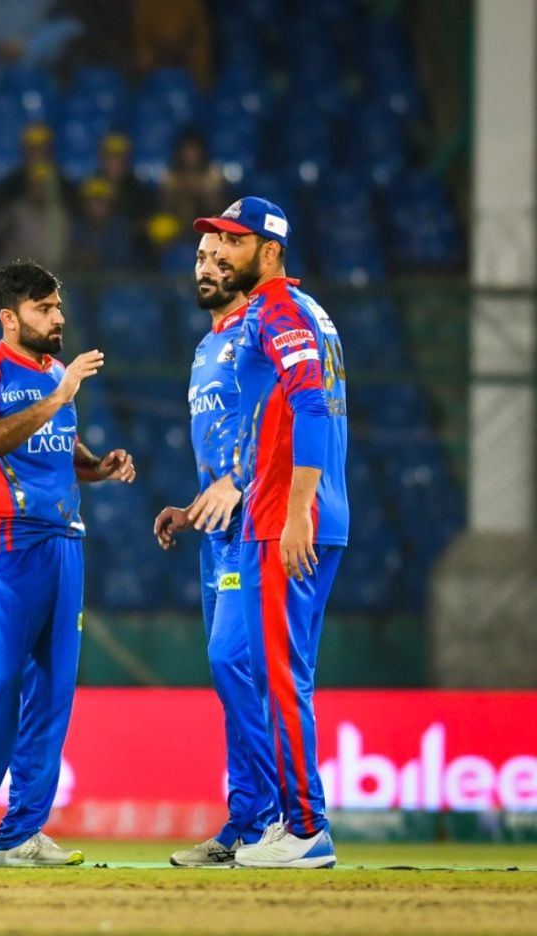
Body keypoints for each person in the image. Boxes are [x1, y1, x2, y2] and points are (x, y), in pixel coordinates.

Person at [0, 260, 135, 866]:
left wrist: (96, 466)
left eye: (58, 307)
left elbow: (56, 451)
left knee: (53, 691)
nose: (58, 318)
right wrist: (60, 396)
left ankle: (22, 834)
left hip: (64, 543)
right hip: (2, 543)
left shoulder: (54, 374)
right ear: (9, 317)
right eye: (44, 309)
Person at [188, 197, 349, 869]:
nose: (221, 251)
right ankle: (270, 822)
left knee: (281, 677)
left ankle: (305, 829)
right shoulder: (298, 312)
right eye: (214, 241)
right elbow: (286, 412)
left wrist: (294, 512)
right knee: (268, 670)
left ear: (271, 250)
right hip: (282, 512)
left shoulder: (280, 308)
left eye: (235, 240)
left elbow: (311, 403)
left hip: (285, 519)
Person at [153, 233, 275, 867]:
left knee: (234, 664)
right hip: (217, 531)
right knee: (233, 682)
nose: (206, 265)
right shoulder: (207, 346)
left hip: (257, 522)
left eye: (221, 255)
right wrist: (195, 499)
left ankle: (275, 814)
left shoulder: (263, 329)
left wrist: (240, 482)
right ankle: (245, 822)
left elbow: (285, 417)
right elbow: (227, 442)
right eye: (199, 255)